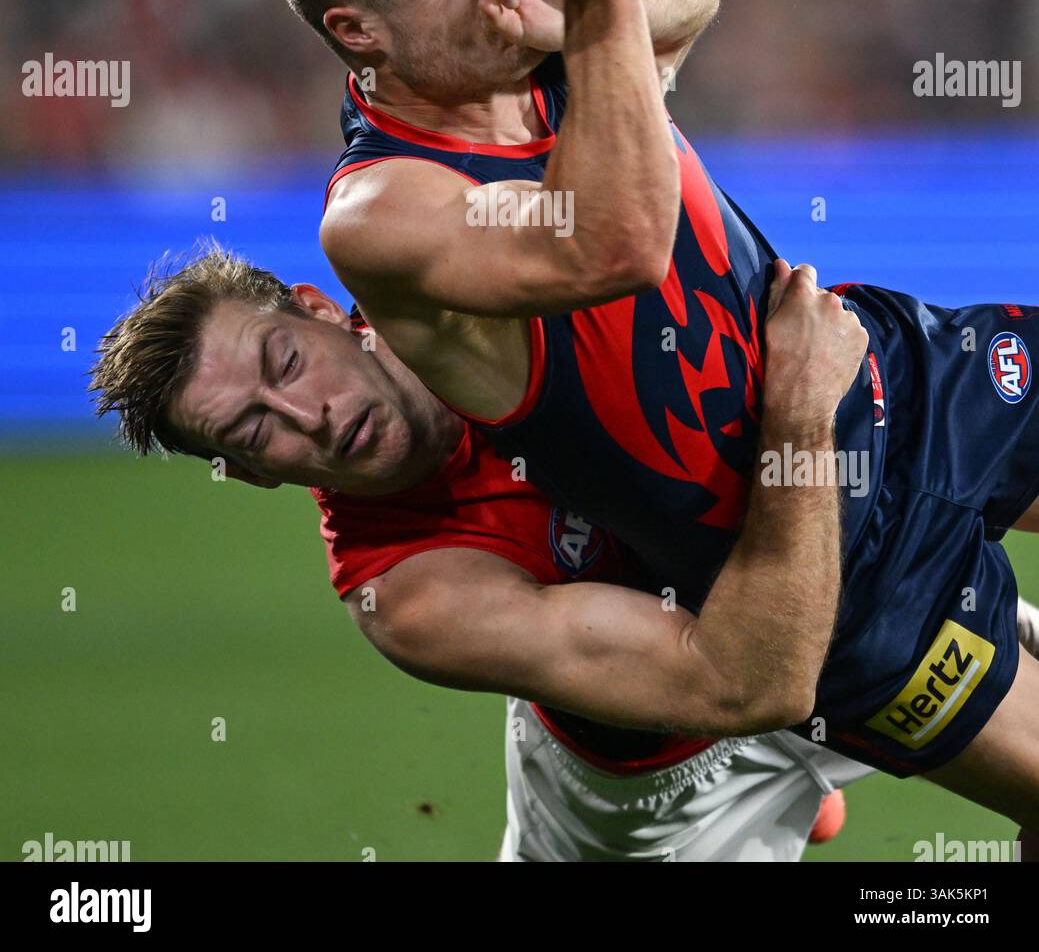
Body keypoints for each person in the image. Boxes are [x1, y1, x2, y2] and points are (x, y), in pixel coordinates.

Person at [267, 0, 1039, 833]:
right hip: (829, 557)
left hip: (889, 370)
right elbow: (618, 242)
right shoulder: (381, 208)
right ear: (360, 33)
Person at [91, 241, 876, 861]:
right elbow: (747, 685)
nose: (311, 416)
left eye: (286, 362)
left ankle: (833, 746)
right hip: (657, 791)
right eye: (255, 431)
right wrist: (799, 418)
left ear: (321, 307)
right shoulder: (406, 599)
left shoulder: (459, 290)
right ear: (254, 475)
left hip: (807, 591)